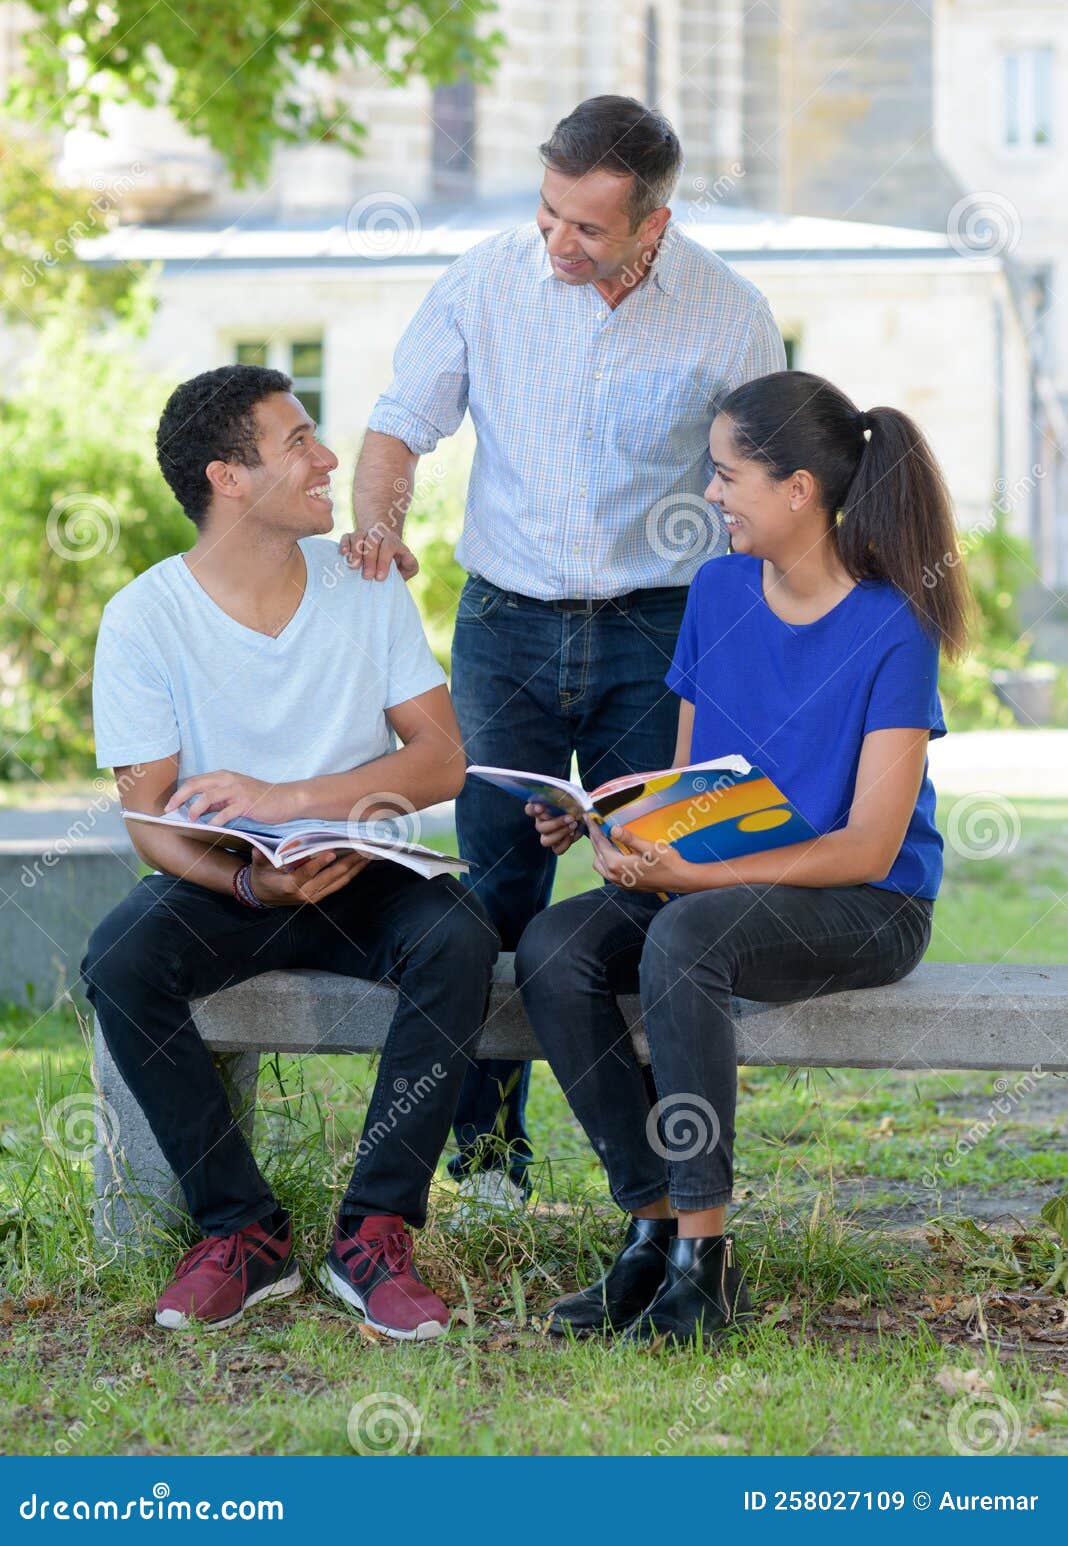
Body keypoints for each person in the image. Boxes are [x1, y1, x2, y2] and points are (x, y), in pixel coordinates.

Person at [345, 94, 785, 1211]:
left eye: (588, 228)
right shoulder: (489, 278)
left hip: (659, 628)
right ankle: (489, 1155)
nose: (559, 243)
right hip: (509, 624)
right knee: (494, 890)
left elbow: (764, 495)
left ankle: (658, 1164)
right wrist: (382, 520)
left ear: (654, 224)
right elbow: (400, 423)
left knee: (652, 885)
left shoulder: (729, 315)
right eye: (549, 213)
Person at [515, 369, 972, 1346]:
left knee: (684, 936)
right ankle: (649, 1228)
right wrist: (614, 827)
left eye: (727, 475)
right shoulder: (719, 589)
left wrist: (693, 880)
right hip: (718, 877)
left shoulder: (893, 626)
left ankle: (703, 1268)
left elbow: (868, 842)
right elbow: (694, 783)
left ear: (798, 488)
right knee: (555, 945)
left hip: (865, 900)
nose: (712, 494)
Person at [82, 364, 498, 1339]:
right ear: (229, 478)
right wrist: (246, 876)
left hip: (367, 877)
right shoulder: (145, 617)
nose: (327, 459)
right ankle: (241, 1229)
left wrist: (297, 799)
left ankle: (374, 1230)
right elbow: (150, 817)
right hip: (230, 881)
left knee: (459, 939)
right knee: (120, 958)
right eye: (298, 441)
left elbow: (440, 761)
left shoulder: (363, 583)